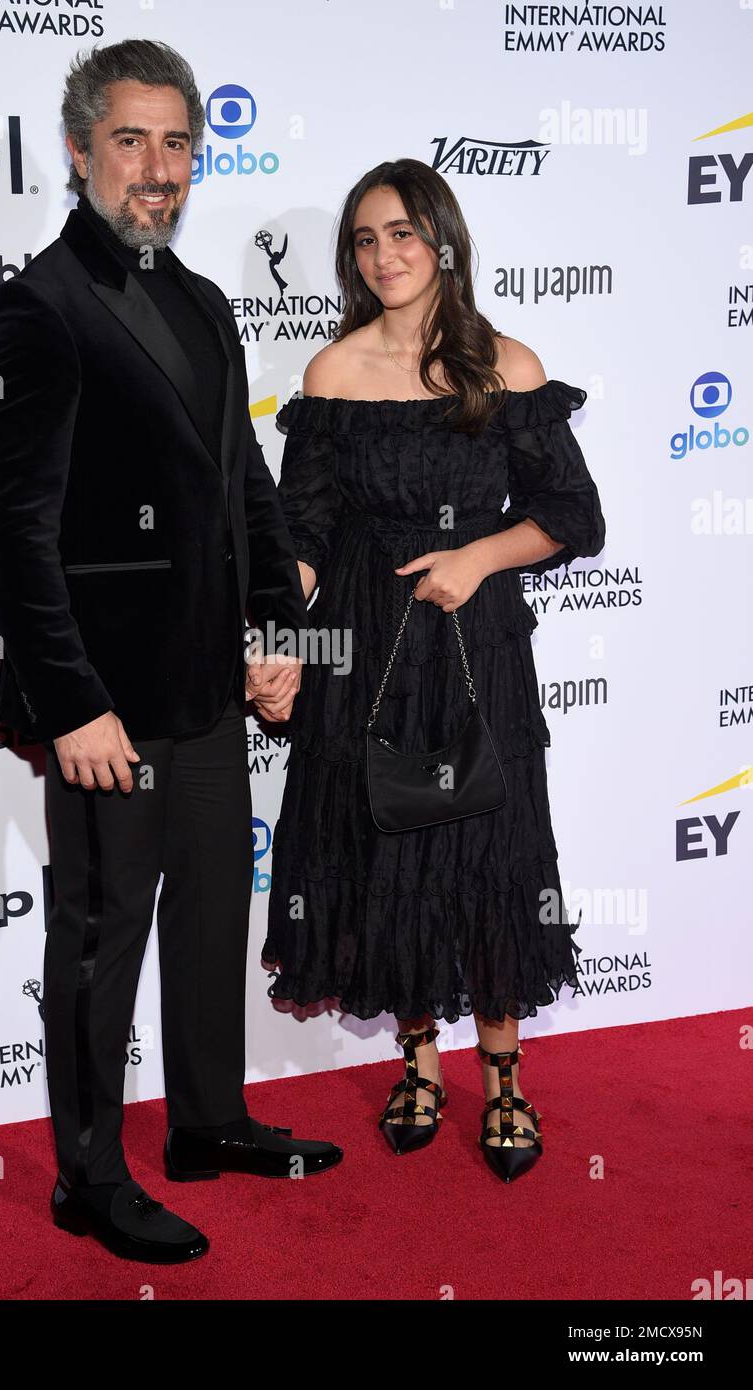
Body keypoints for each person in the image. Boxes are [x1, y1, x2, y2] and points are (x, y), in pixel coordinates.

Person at [0, 38, 340, 1265]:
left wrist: (279, 631)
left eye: (179, 143)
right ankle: (84, 1175)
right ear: (78, 152)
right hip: (107, 704)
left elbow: (247, 491)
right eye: (132, 140)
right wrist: (69, 703)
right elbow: (7, 535)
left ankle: (207, 1121)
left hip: (205, 692)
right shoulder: (34, 311)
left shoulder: (200, 302)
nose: (158, 168)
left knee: (208, 910)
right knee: (100, 924)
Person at [261, 158, 606, 1183]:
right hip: (364, 644)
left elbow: (575, 517)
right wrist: (280, 629)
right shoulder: (331, 374)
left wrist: (477, 556)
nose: (384, 255)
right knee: (382, 853)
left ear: (443, 242)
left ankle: (502, 1078)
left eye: (403, 233)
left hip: (473, 643)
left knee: (485, 853)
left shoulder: (506, 364)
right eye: (365, 239)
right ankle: (417, 1063)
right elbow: (304, 528)